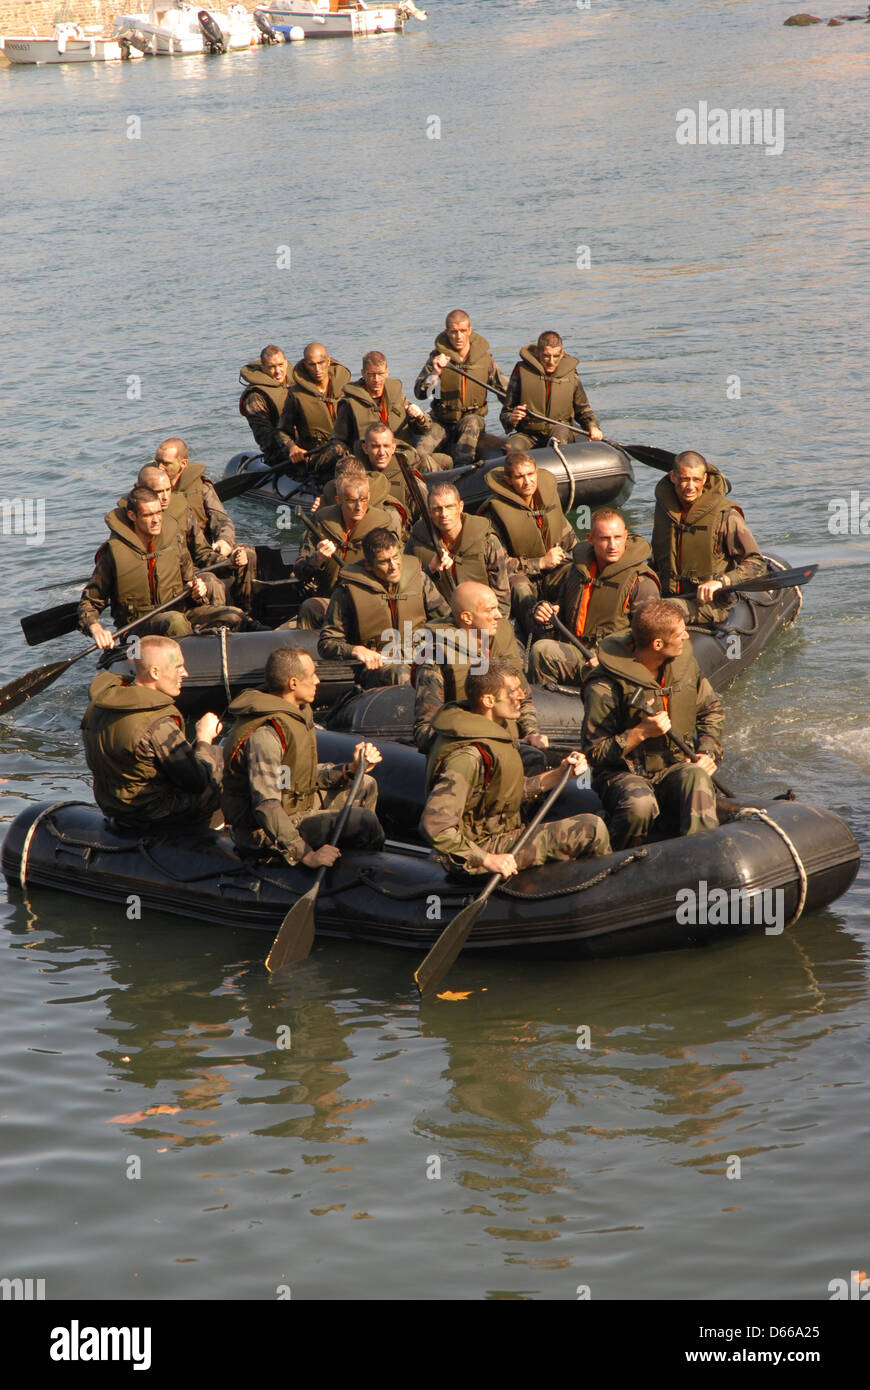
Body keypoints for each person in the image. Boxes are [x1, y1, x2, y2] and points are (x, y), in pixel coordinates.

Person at [420, 661, 610, 875]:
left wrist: (559, 774)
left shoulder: (494, 732)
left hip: (498, 835)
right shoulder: (468, 756)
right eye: (513, 691)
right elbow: (435, 824)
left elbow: (507, 792)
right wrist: (488, 859)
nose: (521, 695)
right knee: (591, 829)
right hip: (476, 852)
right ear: (488, 700)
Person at [222, 647, 384, 868]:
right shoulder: (266, 736)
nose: (317, 680)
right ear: (293, 683)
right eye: (312, 676)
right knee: (364, 821)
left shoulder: (292, 715)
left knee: (365, 784)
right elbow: (267, 806)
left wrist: (350, 769)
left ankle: (348, 859)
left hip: (294, 808)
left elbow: (293, 778)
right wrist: (306, 854)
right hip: (263, 832)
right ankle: (362, 873)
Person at [581, 600, 724, 850]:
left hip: (673, 767)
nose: (687, 637)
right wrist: (638, 734)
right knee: (640, 804)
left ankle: (702, 857)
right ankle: (619, 858)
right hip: (623, 773)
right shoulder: (604, 686)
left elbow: (711, 711)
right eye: (680, 634)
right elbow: (594, 753)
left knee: (698, 777)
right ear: (658, 644)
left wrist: (707, 752)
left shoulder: (684, 666)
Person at [81, 635, 223, 832]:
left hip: (115, 808)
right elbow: (197, 782)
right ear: (155, 672)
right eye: (178, 667)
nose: (186, 673)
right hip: (154, 815)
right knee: (223, 762)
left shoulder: (101, 706)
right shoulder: (157, 722)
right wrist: (204, 738)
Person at [413, 582, 549, 767]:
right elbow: (425, 731)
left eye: (497, 608)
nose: (498, 615)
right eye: (490, 610)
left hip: (507, 742)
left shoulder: (500, 639)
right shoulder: (435, 657)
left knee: (536, 760)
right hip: (466, 751)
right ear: (467, 617)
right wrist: (476, 740)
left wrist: (531, 732)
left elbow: (523, 698)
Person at [529, 509, 661, 683]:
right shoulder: (579, 570)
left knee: (542, 650)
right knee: (540, 646)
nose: (612, 545)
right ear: (591, 539)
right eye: (604, 539)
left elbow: (649, 637)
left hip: (616, 661)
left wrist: (610, 659)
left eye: (618, 537)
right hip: (577, 650)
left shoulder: (642, 582)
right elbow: (563, 603)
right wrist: (549, 612)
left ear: (626, 536)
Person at [79, 485, 216, 647]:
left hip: (180, 614)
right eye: (148, 515)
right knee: (175, 621)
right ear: (132, 516)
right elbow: (89, 602)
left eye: (158, 513)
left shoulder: (175, 541)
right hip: (137, 629)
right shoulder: (113, 554)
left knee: (233, 616)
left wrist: (197, 590)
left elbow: (189, 581)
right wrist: (95, 628)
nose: (156, 519)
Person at [318, 527, 451, 687]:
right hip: (377, 666)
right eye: (384, 562)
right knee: (401, 674)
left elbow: (447, 622)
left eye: (396, 557)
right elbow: (327, 643)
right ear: (368, 565)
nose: (394, 566)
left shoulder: (420, 579)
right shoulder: (347, 591)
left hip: (419, 657)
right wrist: (356, 650)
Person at [652, 451, 767, 624]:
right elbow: (656, 561)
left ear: (705, 479)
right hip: (670, 597)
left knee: (655, 612)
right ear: (673, 477)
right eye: (685, 479)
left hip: (710, 605)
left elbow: (756, 564)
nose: (690, 486)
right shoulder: (665, 512)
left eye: (696, 480)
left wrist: (721, 582)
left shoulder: (726, 515)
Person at [293, 470, 400, 629]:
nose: (358, 507)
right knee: (310, 607)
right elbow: (299, 569)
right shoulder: (322, 522)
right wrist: (316, 559)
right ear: (339, 500)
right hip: (330, 599)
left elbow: (397, 570)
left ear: (369, 497)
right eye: (351, 501)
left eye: (363, 500)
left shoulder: (384, 525)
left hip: (370, 601)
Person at [479, 451, 579, 618]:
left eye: (531, 474)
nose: (527, 482)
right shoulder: (493, 514)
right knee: (519, 586)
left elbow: (571, 542)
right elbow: (499, 564)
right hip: (520, 577)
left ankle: (572, 622)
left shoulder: (547, 502)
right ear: (508, 480)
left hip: (552, 573)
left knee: (575, 573)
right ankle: (537, 629)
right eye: (520, 477)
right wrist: (540, 563)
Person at [413, 310, 507, 466]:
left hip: (472, 418)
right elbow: (421, 393)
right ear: (447, 332)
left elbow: (504, 390)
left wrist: (517, 409)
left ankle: (463, 470)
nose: (458, 336)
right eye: (454, 332)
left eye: (463, 331)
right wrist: (436, 373)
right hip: (442, 420)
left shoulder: (485, 360)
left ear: (469, 330)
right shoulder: (436, 358)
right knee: (420, 453)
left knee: (471, 423)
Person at [405, 482, 510, 615]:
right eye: (437, 508)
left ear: (460, 507)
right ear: (429, 512)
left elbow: (502, 595)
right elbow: (406, 588)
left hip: (482, 619)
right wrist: (430, 570)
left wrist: (493, 624)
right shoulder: (416, 541)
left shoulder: (487, 540)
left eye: (449, 507)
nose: (444, 514)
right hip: (438, 622)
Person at [329, 350, 444, 469]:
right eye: (371, 374)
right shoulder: (349, 403)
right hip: (371, 461)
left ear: (387, 372)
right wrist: (350, 459)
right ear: (363, 373)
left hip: (401, 454)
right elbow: (337, 440)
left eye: (380, 374)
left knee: (439, 461)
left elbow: (422, 428)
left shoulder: (396, 394)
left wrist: (420, 417)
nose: (377, 379)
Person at [500, 331, 603, 451]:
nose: (551, 361)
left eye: (555, 356)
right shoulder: (521, 372)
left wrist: (592, 426)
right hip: (528, 434)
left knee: (559, 437)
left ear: (562, 354)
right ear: (537, 353)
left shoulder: (571, 375)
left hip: (559, 430)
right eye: (546, 356)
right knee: (511, 448)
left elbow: (583, 409)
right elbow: (505, 413)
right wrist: (512, 418)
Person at [319, 424, 422, 536]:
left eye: (386, 446)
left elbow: (423, 519)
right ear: (365, 448)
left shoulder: (409, 478)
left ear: (393, 448)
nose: (381, 452)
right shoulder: (351, 473)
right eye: (375, 446)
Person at [153, 438, 236, 557]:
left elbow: (222, 520)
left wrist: (224, 541)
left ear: (183, 463)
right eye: (157, 462)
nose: (160, 467)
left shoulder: (201, 487)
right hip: (165, 554)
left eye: (166, 463)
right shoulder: (148, 486)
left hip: (199, 553)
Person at [278, 341, 351, 466]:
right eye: (312, 364)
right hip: (316, 455)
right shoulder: (296, 395)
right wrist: (292, 447)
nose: (317, 369)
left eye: (320, 363)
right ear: (305, 365)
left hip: (347, 450)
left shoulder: (347, 388)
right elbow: (282, 431)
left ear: (328, 362)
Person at [238, 345, 304, 472]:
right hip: (280, 453)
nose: (278, 371)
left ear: (286, 363)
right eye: (272, 367)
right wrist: (291, 447)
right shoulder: (255, 397)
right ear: (263, 368)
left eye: (280, 365)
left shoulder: (298, 383)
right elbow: (265, 438)